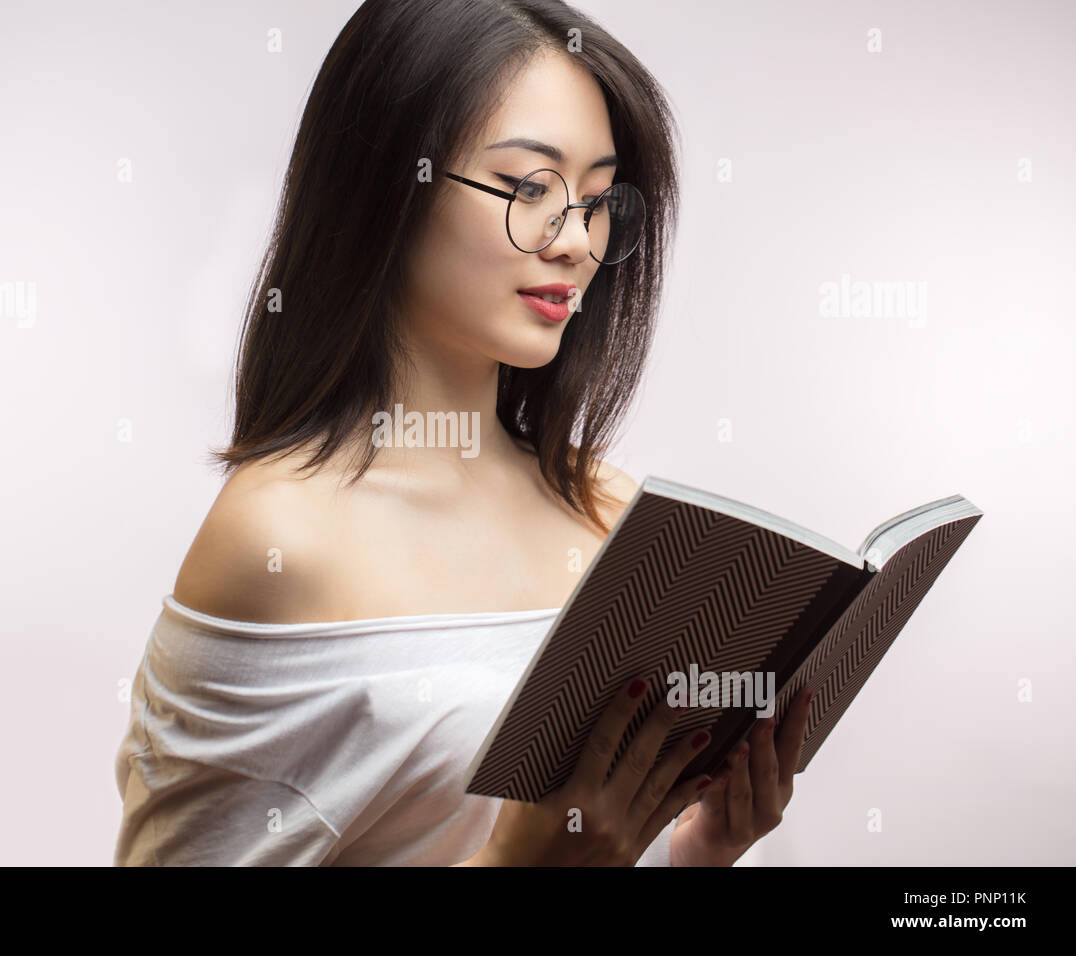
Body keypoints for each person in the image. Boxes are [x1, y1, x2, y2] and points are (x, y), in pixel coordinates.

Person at [112, 0, 808, 866]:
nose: (574, 242)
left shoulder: (611, 512)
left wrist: (697, 852)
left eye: (596, 201)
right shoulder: (281, 538)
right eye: (529, 188)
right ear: (384, 185)